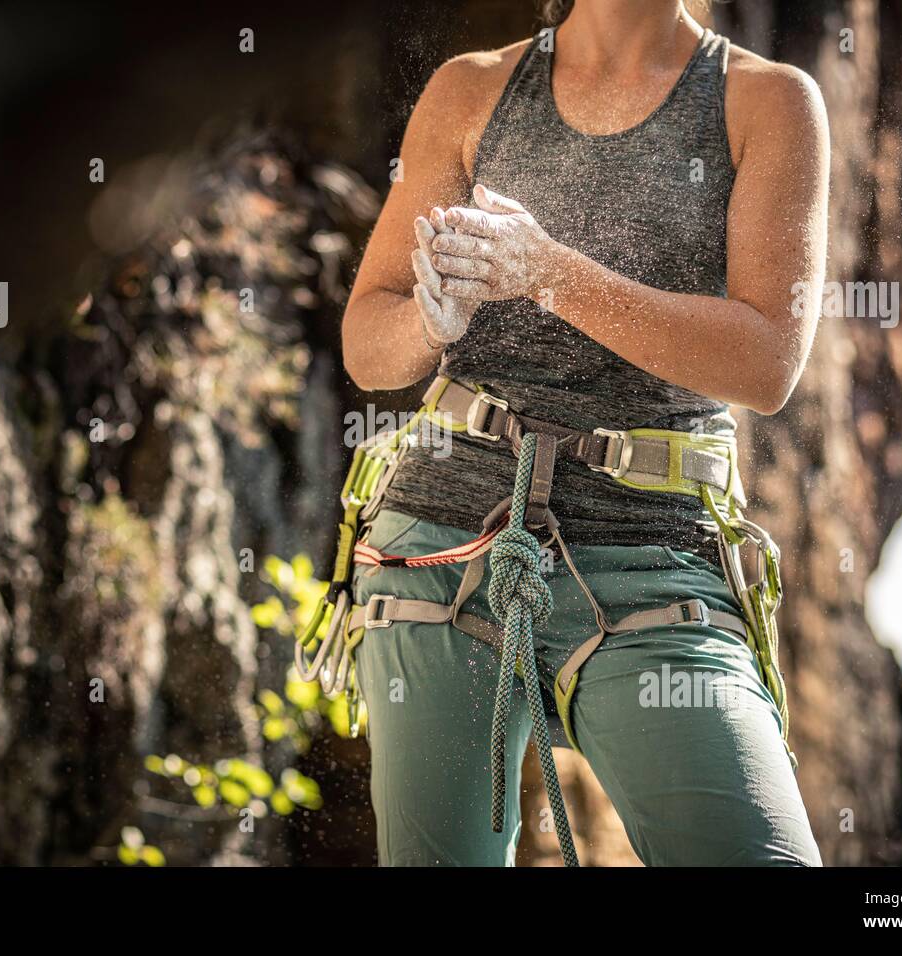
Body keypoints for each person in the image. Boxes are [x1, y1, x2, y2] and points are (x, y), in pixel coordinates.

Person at [338, 0, 829, 866]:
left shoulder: (767, 101)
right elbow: (368, 346)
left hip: (656, 561)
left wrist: (550, 273)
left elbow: (765, 362)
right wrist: (430, 323)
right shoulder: (473, 90)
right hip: (443, 540)